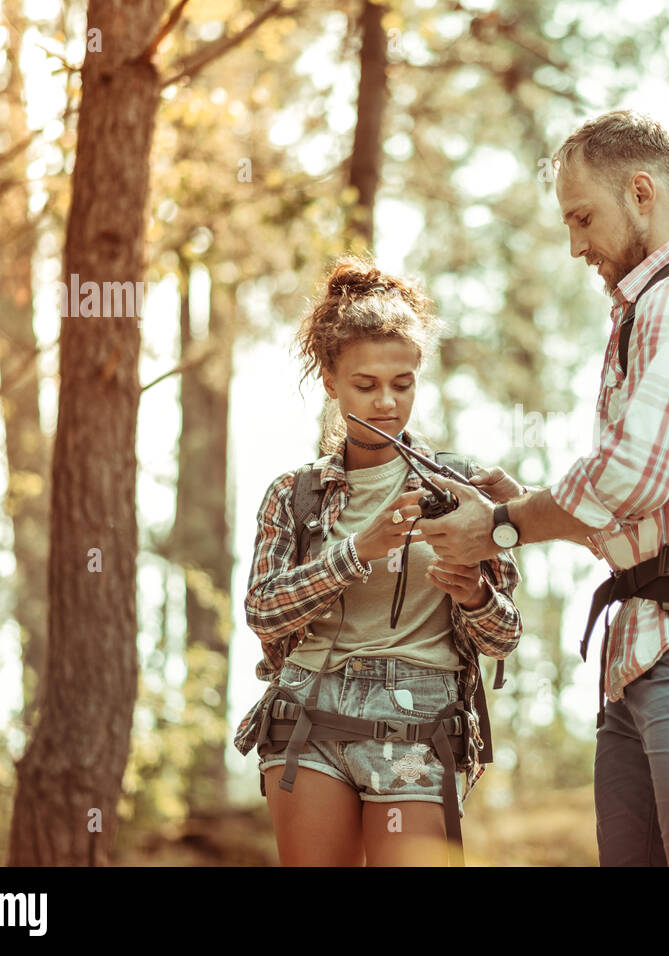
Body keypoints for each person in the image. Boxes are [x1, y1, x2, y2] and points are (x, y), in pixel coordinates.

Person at [417, 110, 669, 866]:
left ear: (640, 192)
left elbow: (628, 475)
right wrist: (525, 501)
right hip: (645, 664)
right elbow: (641, 503)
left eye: (582, 217)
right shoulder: (651, 311)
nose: (575, 245)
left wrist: (503, 523)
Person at [232, 255, 522, 866]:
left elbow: (504, 637)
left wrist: (471, 592)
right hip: (306, 710)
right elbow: (263, 612)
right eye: (364, 385)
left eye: (403, 383)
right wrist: (355, 552)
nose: (386, 402)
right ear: (331, 381)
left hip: (421, 716)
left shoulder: (462, 486)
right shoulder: (295, 494)